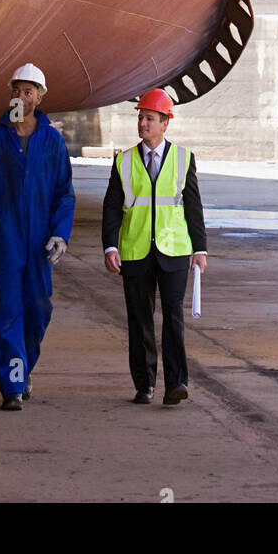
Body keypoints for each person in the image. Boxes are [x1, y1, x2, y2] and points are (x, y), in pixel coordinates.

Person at [0, 63, 75, 411]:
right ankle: (11, 384)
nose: (20, 97)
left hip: (40, 244)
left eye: (28, 92)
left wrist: (60, 234)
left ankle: (24, 368)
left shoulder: (52, 142)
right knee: (6, 311)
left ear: (40, 98)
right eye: (16, 90)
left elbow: (64, 194)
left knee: (38, 310)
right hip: (7, 243)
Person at [102, 88, 207, 405]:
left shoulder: (182, 159)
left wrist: (200, 249)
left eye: (149, 118)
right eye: (141, 118)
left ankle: (176, 383)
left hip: (174, 251)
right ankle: (144, 384)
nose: (143, 124)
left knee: (173, 317)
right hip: (135, 252)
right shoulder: (123, 162)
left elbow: (193, 207)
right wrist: (110, 246)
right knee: (139, 319)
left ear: (165, 124)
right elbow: (111, 207)